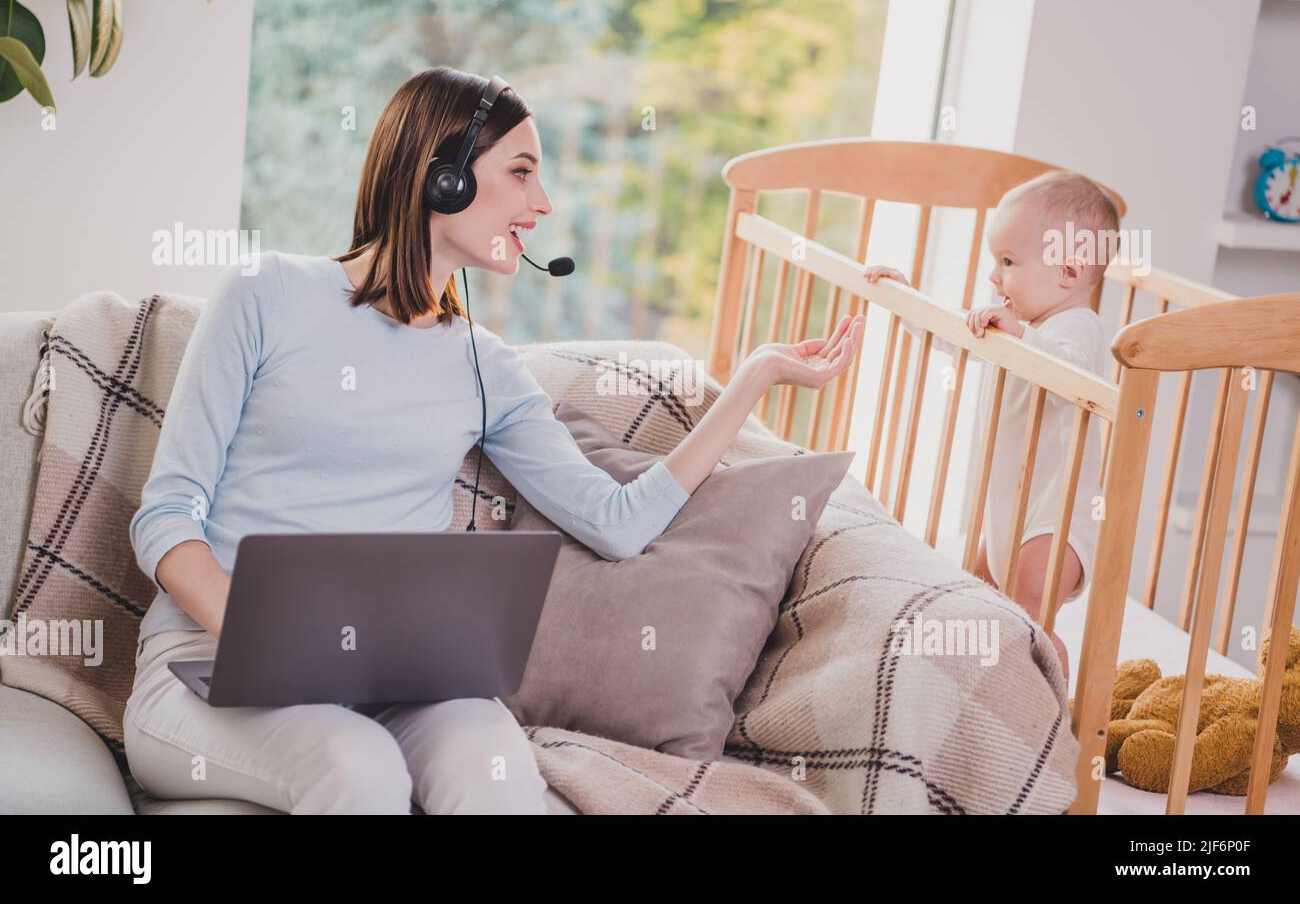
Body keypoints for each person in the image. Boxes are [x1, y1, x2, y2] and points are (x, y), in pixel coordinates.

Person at [123, 66, 866, 814]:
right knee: (361, 769)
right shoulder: (265, 293)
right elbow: (166, 516)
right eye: (520, 173)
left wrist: (754, 378)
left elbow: (618, 524)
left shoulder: (485, 366)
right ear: (441, 177)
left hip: (390, 681)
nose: (541, 205)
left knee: (497, 768)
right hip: (206, 664)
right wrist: (275, 644)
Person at [864, 170, 1119, 686]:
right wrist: (909, 303)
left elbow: (1068, 368)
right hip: (1005, 514)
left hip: (1054, 517)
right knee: (975, 603)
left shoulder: (1077, 329)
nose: (993, 277)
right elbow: (956, 338)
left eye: (1007, 263)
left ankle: (1053, 717)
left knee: (1032, 623)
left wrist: (1020, 334)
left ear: (1068, 271)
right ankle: (972, 693)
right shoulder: (1018, 328)